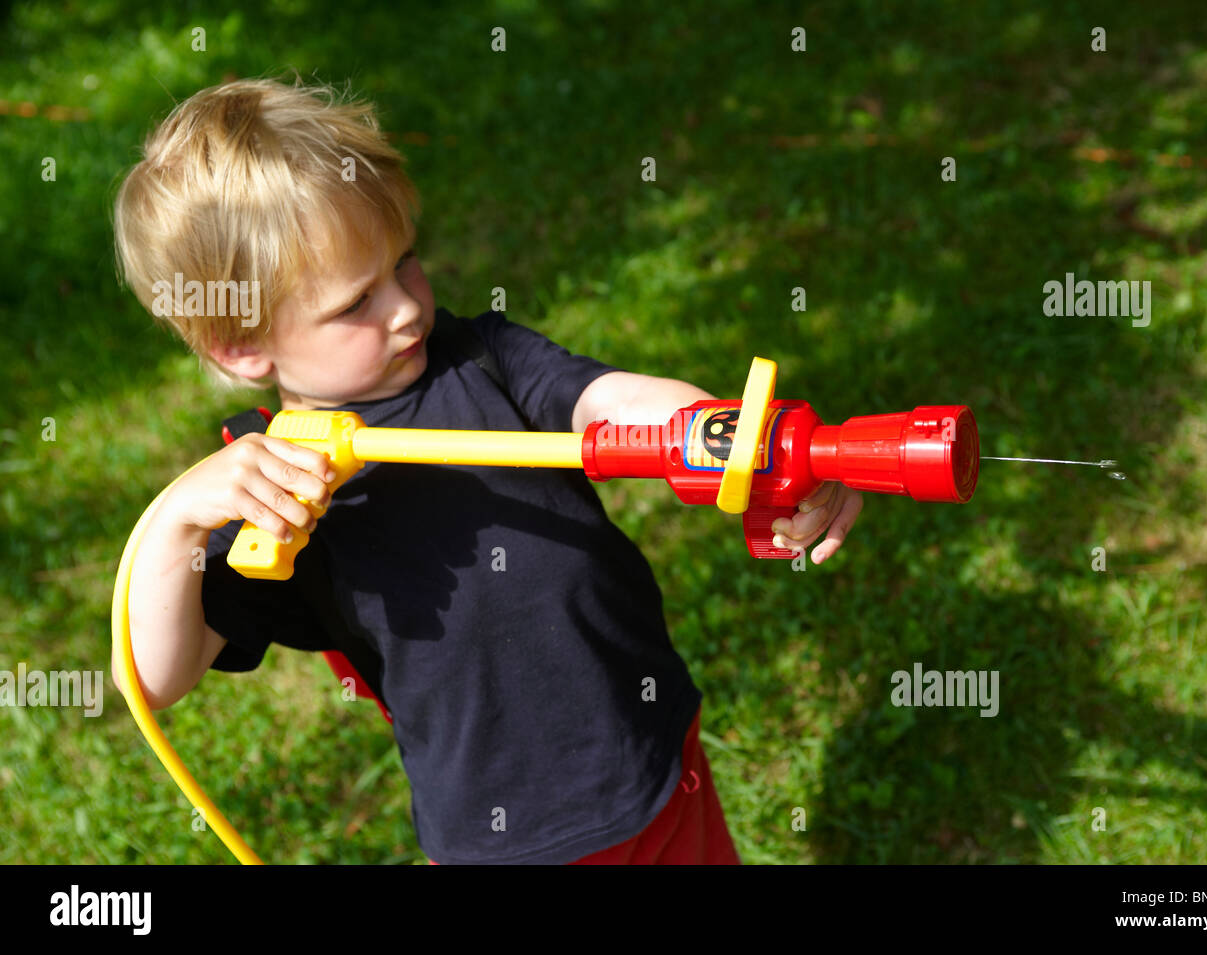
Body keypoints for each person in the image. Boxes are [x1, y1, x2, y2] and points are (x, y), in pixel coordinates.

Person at [110, 76, 863, 864]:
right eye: (355, 301)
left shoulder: (480, 355)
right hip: (503, 838)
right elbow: (155, 677)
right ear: (242, 347)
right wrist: (174, 525)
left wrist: (748, 442)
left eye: (405, 264)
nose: (404, 307)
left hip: (653, 753)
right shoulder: (272, 481)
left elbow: (614, 400)